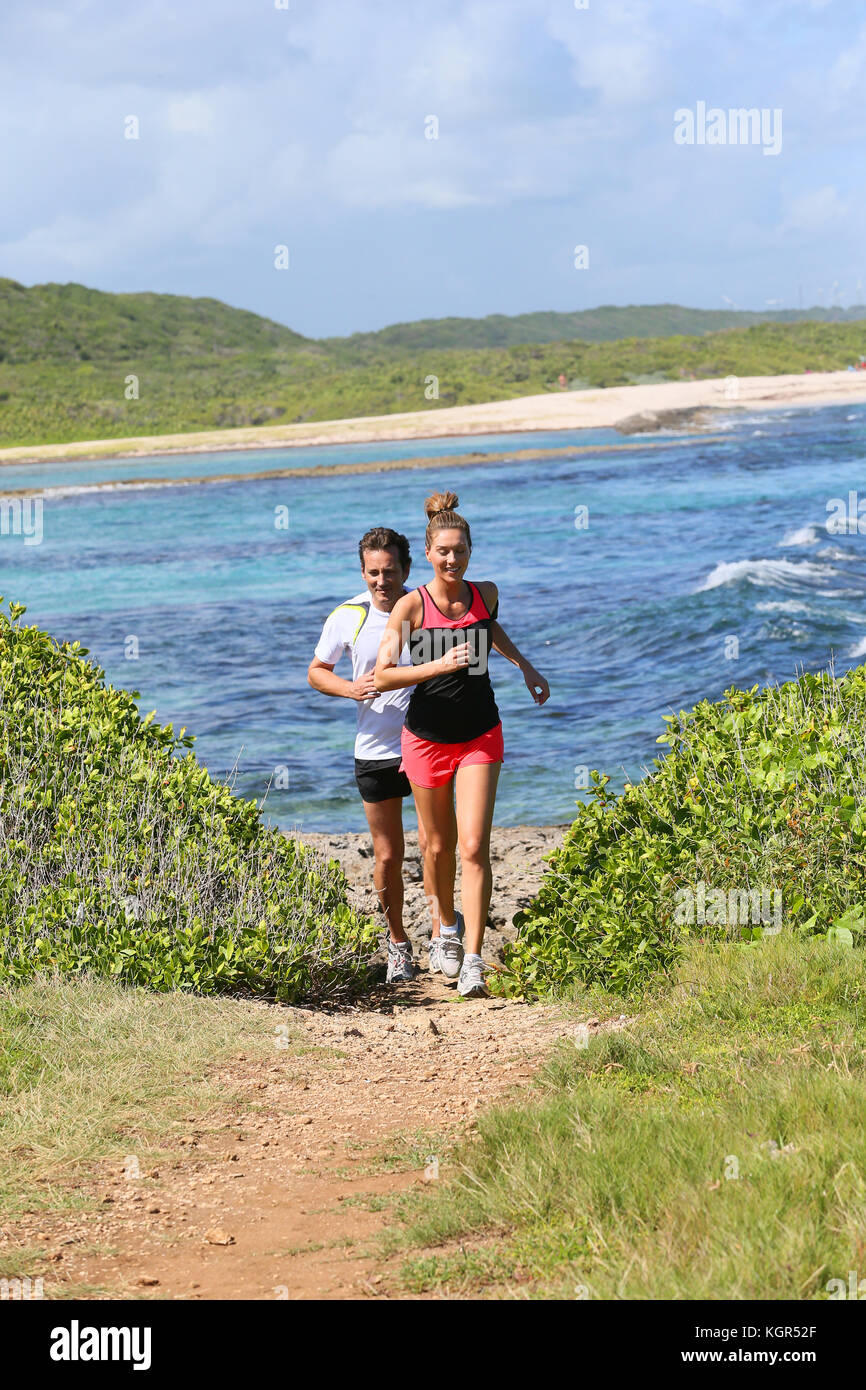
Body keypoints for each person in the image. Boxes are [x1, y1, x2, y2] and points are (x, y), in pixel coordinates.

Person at [374, 491, 550, 998]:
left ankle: (472, 958)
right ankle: (443, 930)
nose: (453, 559)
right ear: (428, 553)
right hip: (426, 739)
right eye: (444, 551)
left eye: (461, 550)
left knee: (474, 846)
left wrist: (525, 666)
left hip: (480, 734)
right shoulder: (411, 605)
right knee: (437, 845)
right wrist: (438, 666)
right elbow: (384, 673)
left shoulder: (485, 593)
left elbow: (489, 627)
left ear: (471, 550)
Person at [307, 526, 435, 983]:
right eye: (373, 573)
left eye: (390, 571)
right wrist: (348, 688)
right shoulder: (347, 616)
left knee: (435, 845)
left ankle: (442, 938)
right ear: (363, 572)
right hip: (375, 751)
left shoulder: (425, 606)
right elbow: (317, 671)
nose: (382, 582)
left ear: (407, 569)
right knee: (388, 855)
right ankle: (398, 943)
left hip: (427, 743)